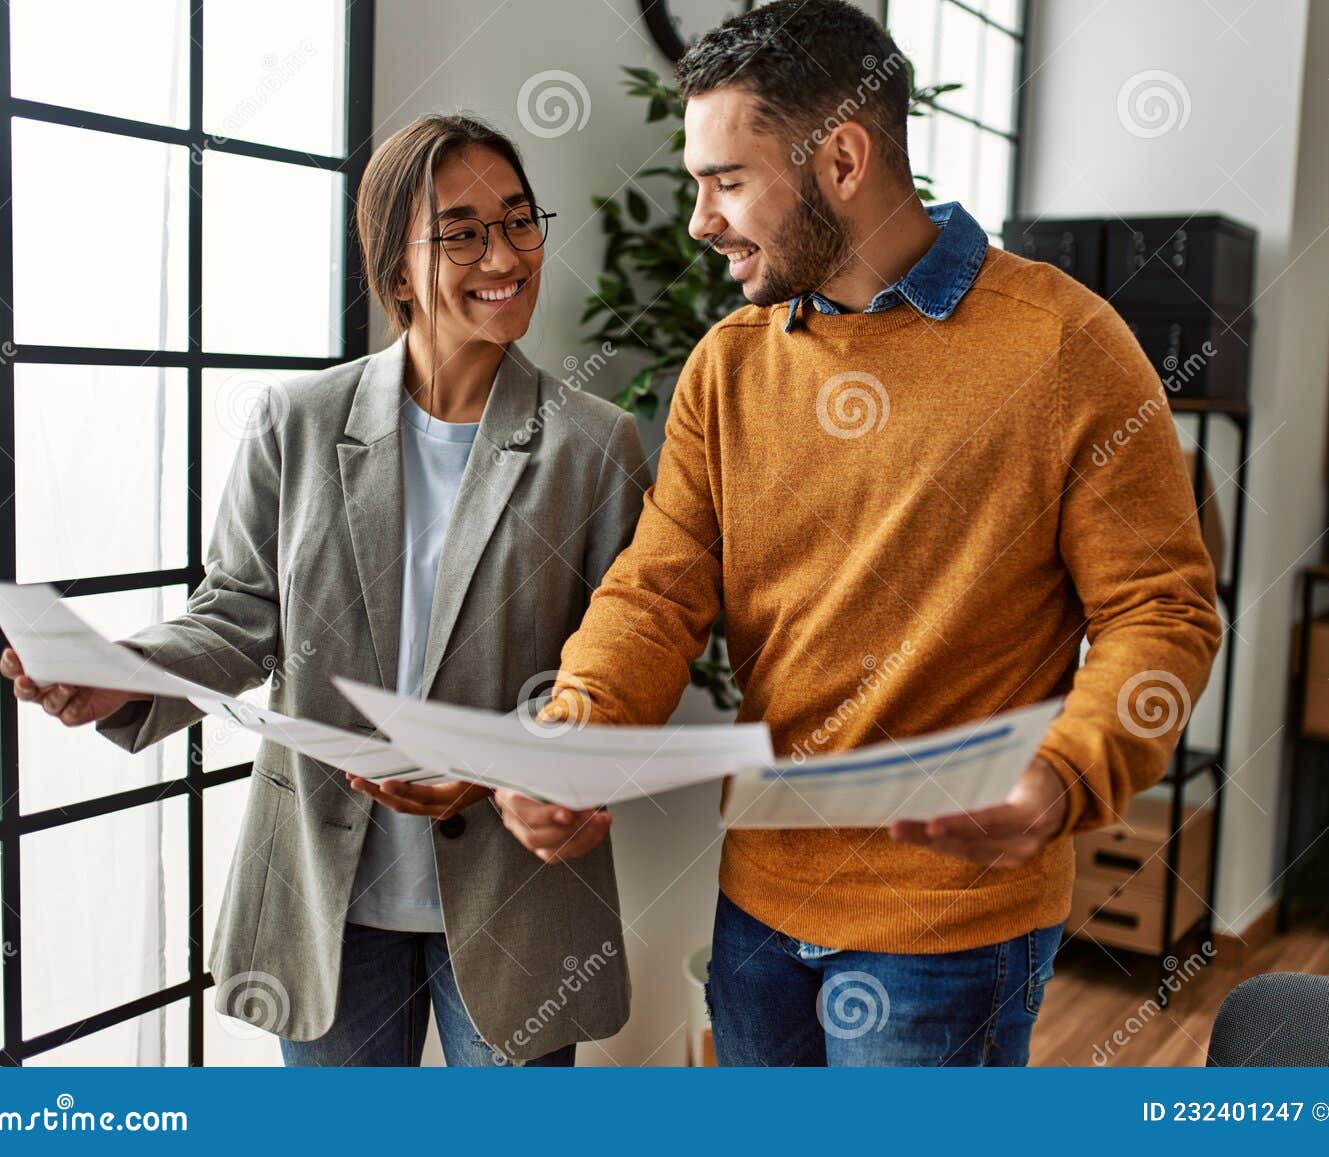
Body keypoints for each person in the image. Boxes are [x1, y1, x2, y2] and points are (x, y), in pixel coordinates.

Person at [491, 0, 1222, 1066]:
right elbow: (655, 589)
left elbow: (1159, 608)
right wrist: (578, 727)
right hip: (759, 902)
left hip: (950, 927)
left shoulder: (1064, 344)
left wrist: (1069, 772)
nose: (701, 220)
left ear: (840, 158)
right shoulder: (729, 365)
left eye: (727, 180)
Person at [0, 113, 649, 1067]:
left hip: (518, 892)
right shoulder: (296, 421)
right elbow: (238, 615)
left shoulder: (594, 442)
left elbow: (615, 656)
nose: (502, 252)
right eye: (460, 230)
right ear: (396, 268)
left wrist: (529, 761)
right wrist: (123, 675)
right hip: (327, 893)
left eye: (518, 220)